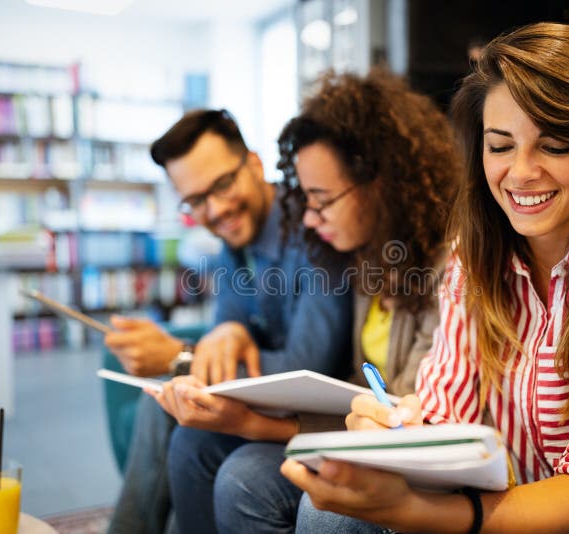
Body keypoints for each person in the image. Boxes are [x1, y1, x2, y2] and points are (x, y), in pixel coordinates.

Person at [282, 22, 569, 533]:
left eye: (555, 146)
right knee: (328, 512)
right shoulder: (473, 256)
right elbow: (444, 411)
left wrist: (423, 511)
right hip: (515, 511)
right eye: (500, 146)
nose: (520, 172)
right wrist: (397, 431)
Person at [150, 69, 461, 533]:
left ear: (379, 182)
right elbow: (361, 383)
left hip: (399, 443)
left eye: (321, 200)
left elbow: (402, 419)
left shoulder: (443, 270)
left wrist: (244, 415)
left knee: (244, 479)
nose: (310, 220)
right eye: (195, 201)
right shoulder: (364, 256)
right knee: (190, 434)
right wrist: (224, 335)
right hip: (354, 424)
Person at [106, 108, 352, 534]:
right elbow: (230, 328)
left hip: (326, 408)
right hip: (282, 404)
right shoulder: (236, 244)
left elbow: (307, 369)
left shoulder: (314, 227)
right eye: (196, 201)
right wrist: (224, 335)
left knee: (188, 427)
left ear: (255, 165)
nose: (215, 209)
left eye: (222, 185)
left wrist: (182, 355)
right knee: (168, 401)